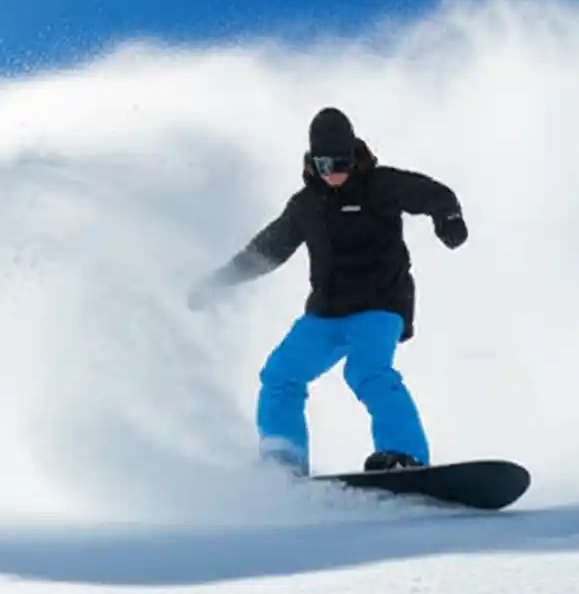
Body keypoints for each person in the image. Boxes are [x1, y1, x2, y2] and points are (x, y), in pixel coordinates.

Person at [187, 107, 468, 475]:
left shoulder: (382, 185)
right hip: (326, 312)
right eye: (325, 164)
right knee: (280, 375)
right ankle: (283, 460)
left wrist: (448, 218)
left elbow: (434, 194)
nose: (335, 173)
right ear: (312, 163)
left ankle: (403, 454)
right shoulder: (306, 206)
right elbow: (267, 251)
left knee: (367, 371)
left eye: (342, 162)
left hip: (380, 304)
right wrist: (220, 280)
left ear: (354, 156)